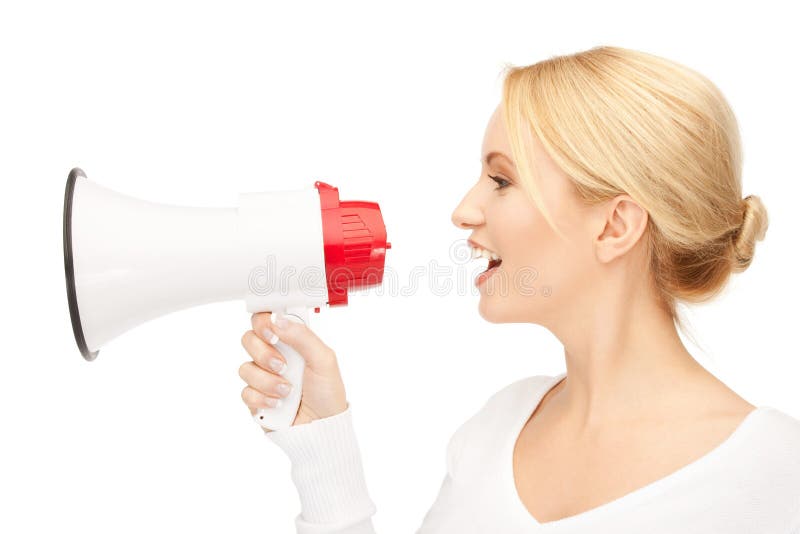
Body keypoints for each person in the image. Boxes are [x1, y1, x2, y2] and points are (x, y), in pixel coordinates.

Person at [237, 46, 800, 533]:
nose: (463, 211)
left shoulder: (775, 473)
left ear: (616, 226)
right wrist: (323, 444)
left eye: (502, 180)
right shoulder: (497, 429)